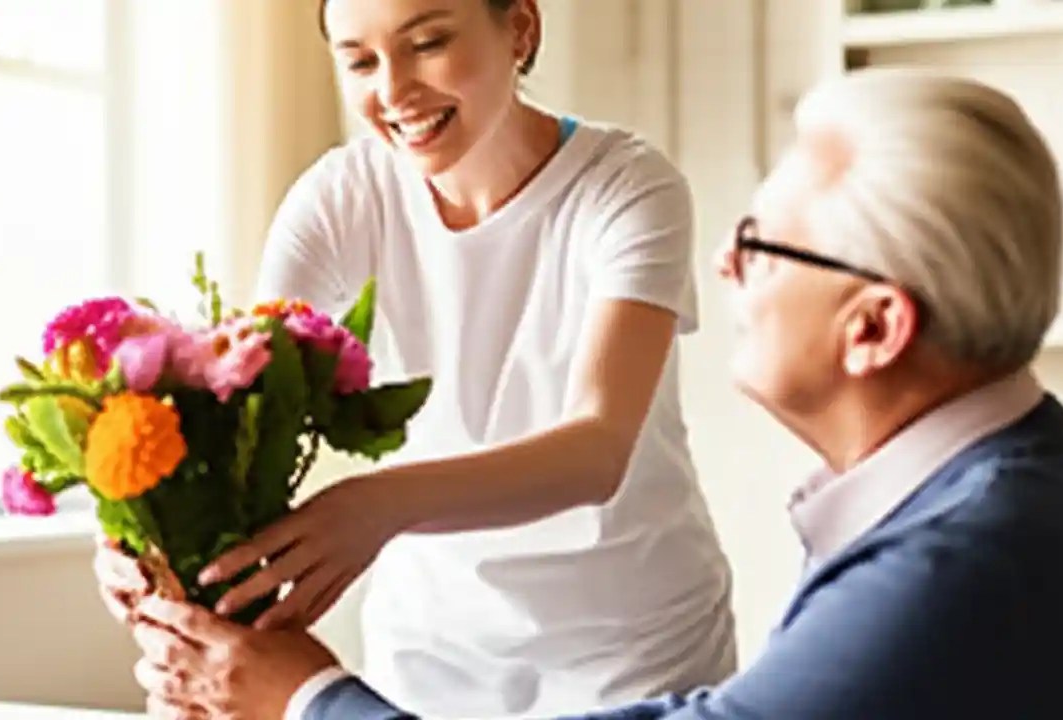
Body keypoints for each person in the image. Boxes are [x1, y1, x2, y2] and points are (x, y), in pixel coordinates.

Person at [123, 68, 1063, 719]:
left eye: (759, 245)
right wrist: (152, 534)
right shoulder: (1001, 491)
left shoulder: (957, 562)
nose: (720, 266)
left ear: (874, 326)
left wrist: (309, 700)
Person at [96, 0, 738, 717]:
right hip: (428, 662)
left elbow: (598, 448)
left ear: (521, 27)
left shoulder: (627, 189)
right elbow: (239, 406)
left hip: (630, 655)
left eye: (428, 43)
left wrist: (380, 506)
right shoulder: (341, 199)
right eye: (361, 62)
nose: (394, 91)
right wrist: (146, 537)